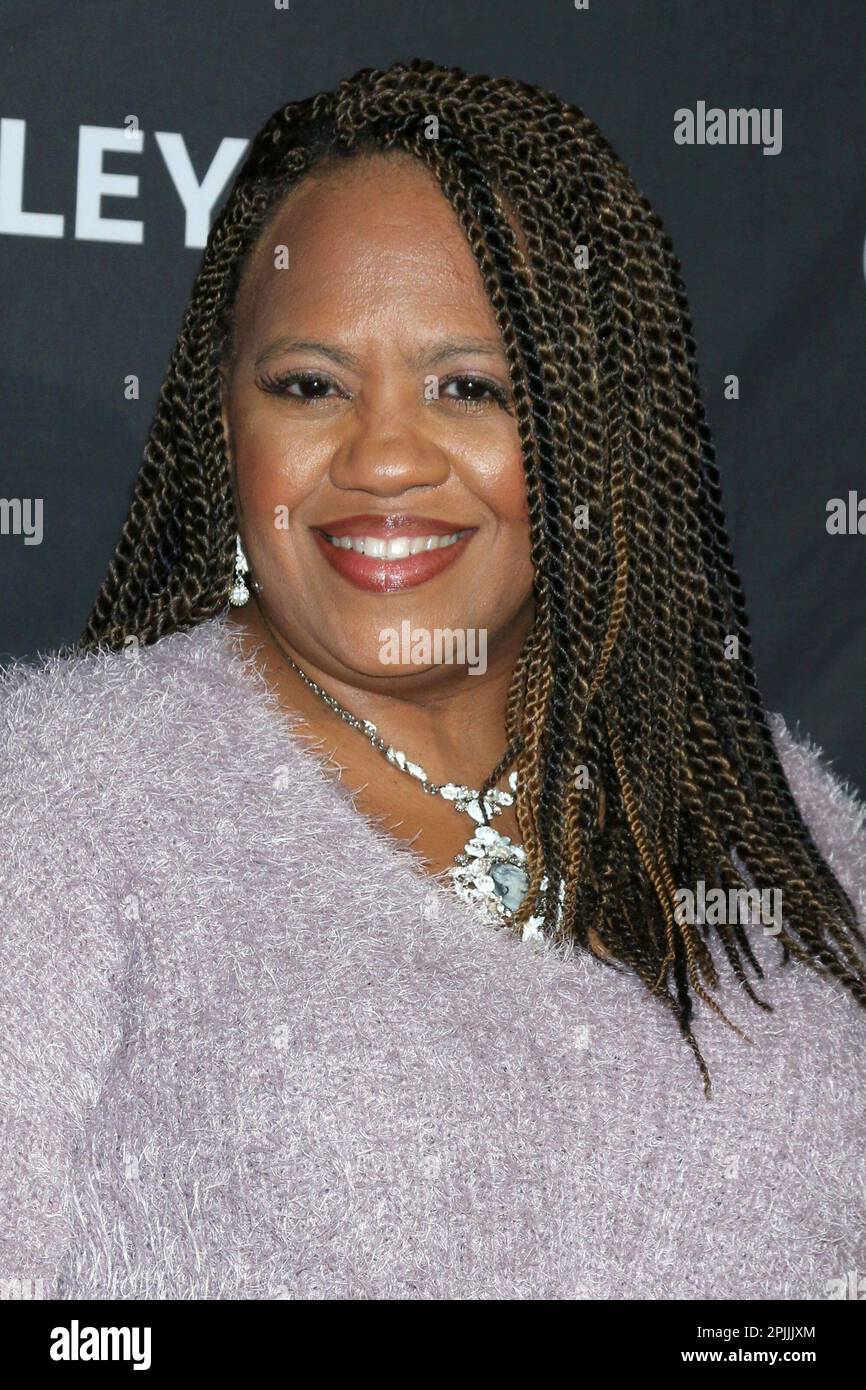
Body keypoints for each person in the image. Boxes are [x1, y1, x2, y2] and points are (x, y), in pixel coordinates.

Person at [2, 58, 864, 1302]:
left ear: (589, 427)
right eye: (310, 385)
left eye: (469, 387)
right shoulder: (55, 808)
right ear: (221, 425)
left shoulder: (780, 829)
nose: (386, 457)